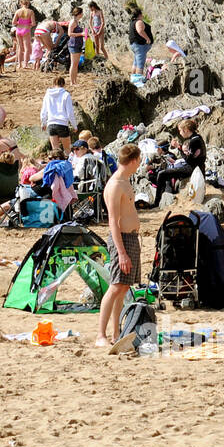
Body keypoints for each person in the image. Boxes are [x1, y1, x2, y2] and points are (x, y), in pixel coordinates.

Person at [96, 144, 142, 348]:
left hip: (131, 238)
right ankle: (100, 335)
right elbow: (113, 221)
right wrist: (121, 252)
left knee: (124, 288)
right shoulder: (115, 184)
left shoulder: (126, 181)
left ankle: (116, 333)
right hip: (120, 240)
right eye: (139, 161)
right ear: (133, 161)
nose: (139, 165)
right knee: (115, 286)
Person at [151, 118, 207, 207]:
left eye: (180, 131)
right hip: (198, 167)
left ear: (186, 130)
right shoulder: (197, 137)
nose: (180, 133)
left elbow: (188, 160)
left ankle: (156, 203)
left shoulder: (194, 141)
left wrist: (178, 147)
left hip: (193, 169)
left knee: (162, 174)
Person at [40, 76, 76, 153]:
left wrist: (43, 123)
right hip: (62, 123)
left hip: (51, 124)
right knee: (67, 151)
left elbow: (44, 111)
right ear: (63, 84)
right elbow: (70, 113)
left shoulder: (48, 95)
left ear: (53, 84)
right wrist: (74, 126)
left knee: (55, 152)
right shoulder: (66, 94)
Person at [127, 2, 152, 76]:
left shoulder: (132, 22)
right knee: (140, 65)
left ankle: (133, 78)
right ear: (139, 14)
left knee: (135, 63)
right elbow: (140, 31)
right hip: (139, 45)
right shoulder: (139, 21)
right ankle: (138, 81)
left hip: (134, 45)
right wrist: (148, 39)